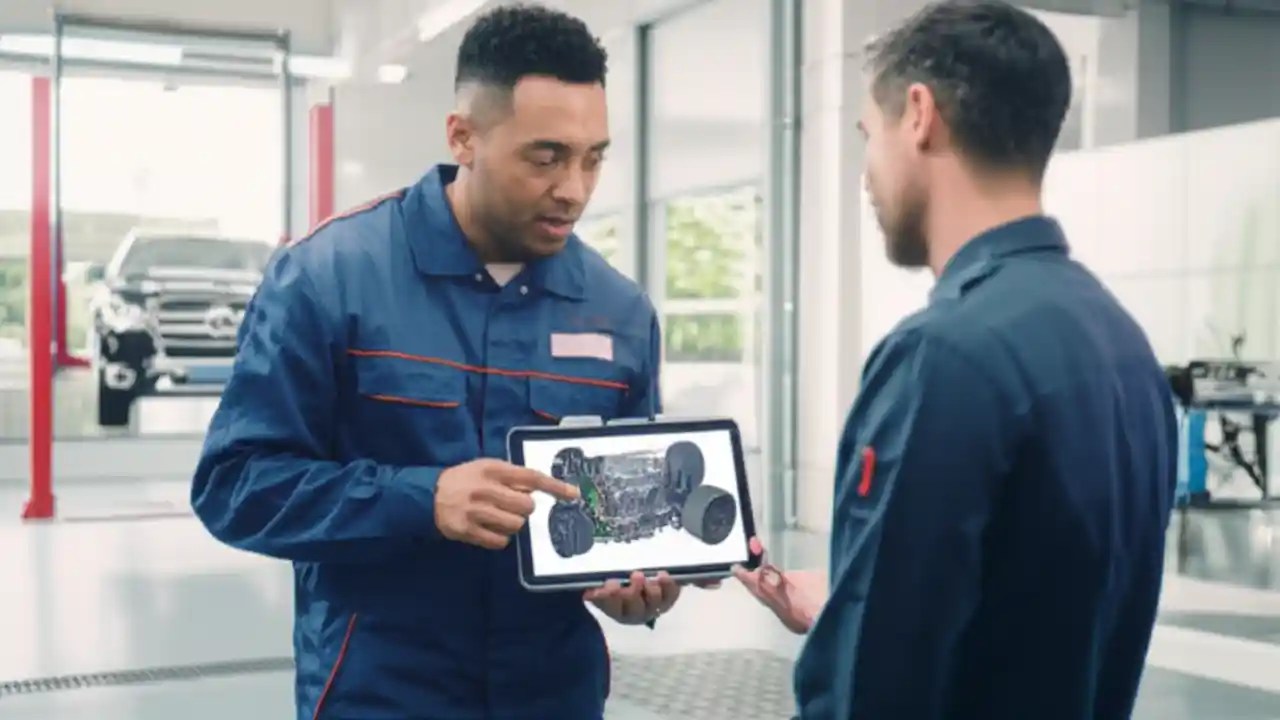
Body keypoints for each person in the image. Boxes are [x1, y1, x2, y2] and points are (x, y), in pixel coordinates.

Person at [191, 5, 694, 719]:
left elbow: (624, 522)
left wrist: (637, 587)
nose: (575, 189)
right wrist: (420, 500)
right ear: (463, 137)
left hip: (551, 695)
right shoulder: (329, 277)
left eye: (593, 157)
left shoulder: (619, 312)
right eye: (545, 156)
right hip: (381, 693)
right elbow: (234, 486)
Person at [735, 1, 1178, 718]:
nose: (867, 175)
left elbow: (874, 685)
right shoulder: (1120, 343)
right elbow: (1037, 604)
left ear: (918, 115)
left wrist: (857, 626)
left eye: (867, 137)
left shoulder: (944, 356)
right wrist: (853, 594)